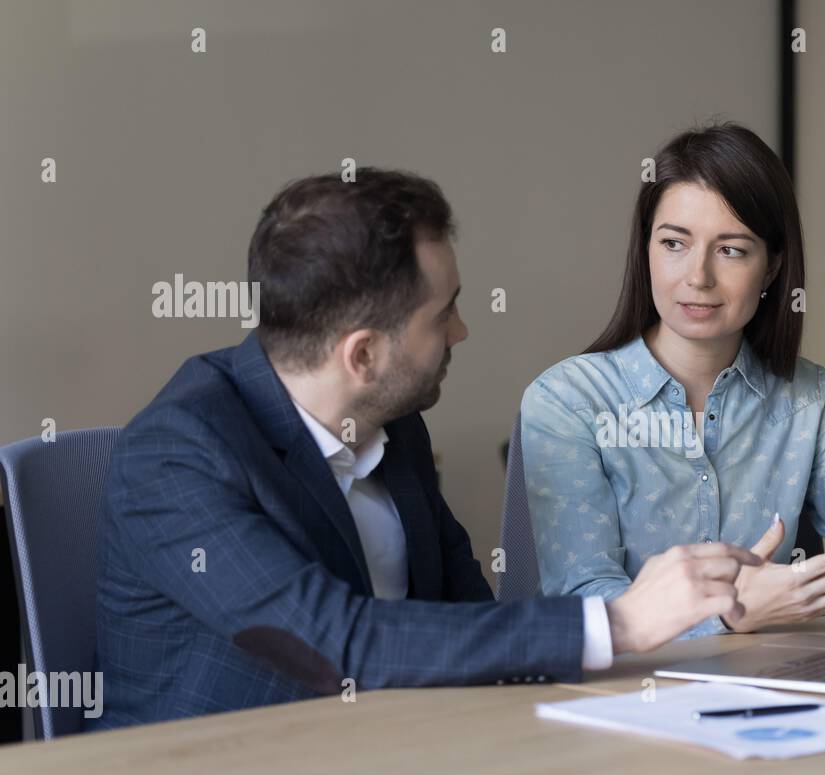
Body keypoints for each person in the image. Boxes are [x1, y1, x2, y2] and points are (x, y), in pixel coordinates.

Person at [92, 168, 758, 729]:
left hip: (391, 758)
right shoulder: (177, 457)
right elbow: (335, 643)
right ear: (363, 355)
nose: (461, 332)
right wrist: (617, 623)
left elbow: (467, 617)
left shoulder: (394, 419)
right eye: (443, 315)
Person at [521, 123, 825, 640]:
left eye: (731, 250)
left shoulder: (807, 396)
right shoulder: (567, 401)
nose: (698, 276)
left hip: (773, 677)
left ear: (772, 268)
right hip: (631, 684)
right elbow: (583, 597)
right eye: (674, 243)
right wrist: (726, 615)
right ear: (646, 250)